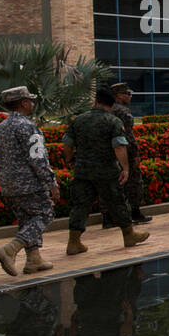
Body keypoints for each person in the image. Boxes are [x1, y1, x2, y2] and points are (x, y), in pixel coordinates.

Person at [61, 87, 150, 255]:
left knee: (80, 205)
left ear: (95, 102)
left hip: (82, 171)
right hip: (107, 170)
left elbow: (67, 143)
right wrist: (125, 168)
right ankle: (128, 235)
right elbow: (119, 146)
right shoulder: (113, 121)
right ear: (111, 103)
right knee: (117, 202)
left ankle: (74, 241)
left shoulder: (78, 120)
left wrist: (70, 159)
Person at [0, 86, 61, 276]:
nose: (32, 104)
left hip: (9, 185)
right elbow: (38, 158)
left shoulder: (0, 128)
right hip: (30, 184)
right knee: (45, 214)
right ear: (23, 103)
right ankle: (10, 249)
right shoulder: (27, 126)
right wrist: (51, 183)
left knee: (27, 220)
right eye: (30, 100)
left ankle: (33, 259)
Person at [103, 83, 151, 226]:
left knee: (110, 184)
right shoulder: (122, 111)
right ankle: (134, 213)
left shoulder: (107, 110)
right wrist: (135, 154)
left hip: (109, 153)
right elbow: (128, 136)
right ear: (119, 95)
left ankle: (108, 218)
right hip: (125, 153)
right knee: (133, 182)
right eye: (127, 93)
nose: (129, 96)